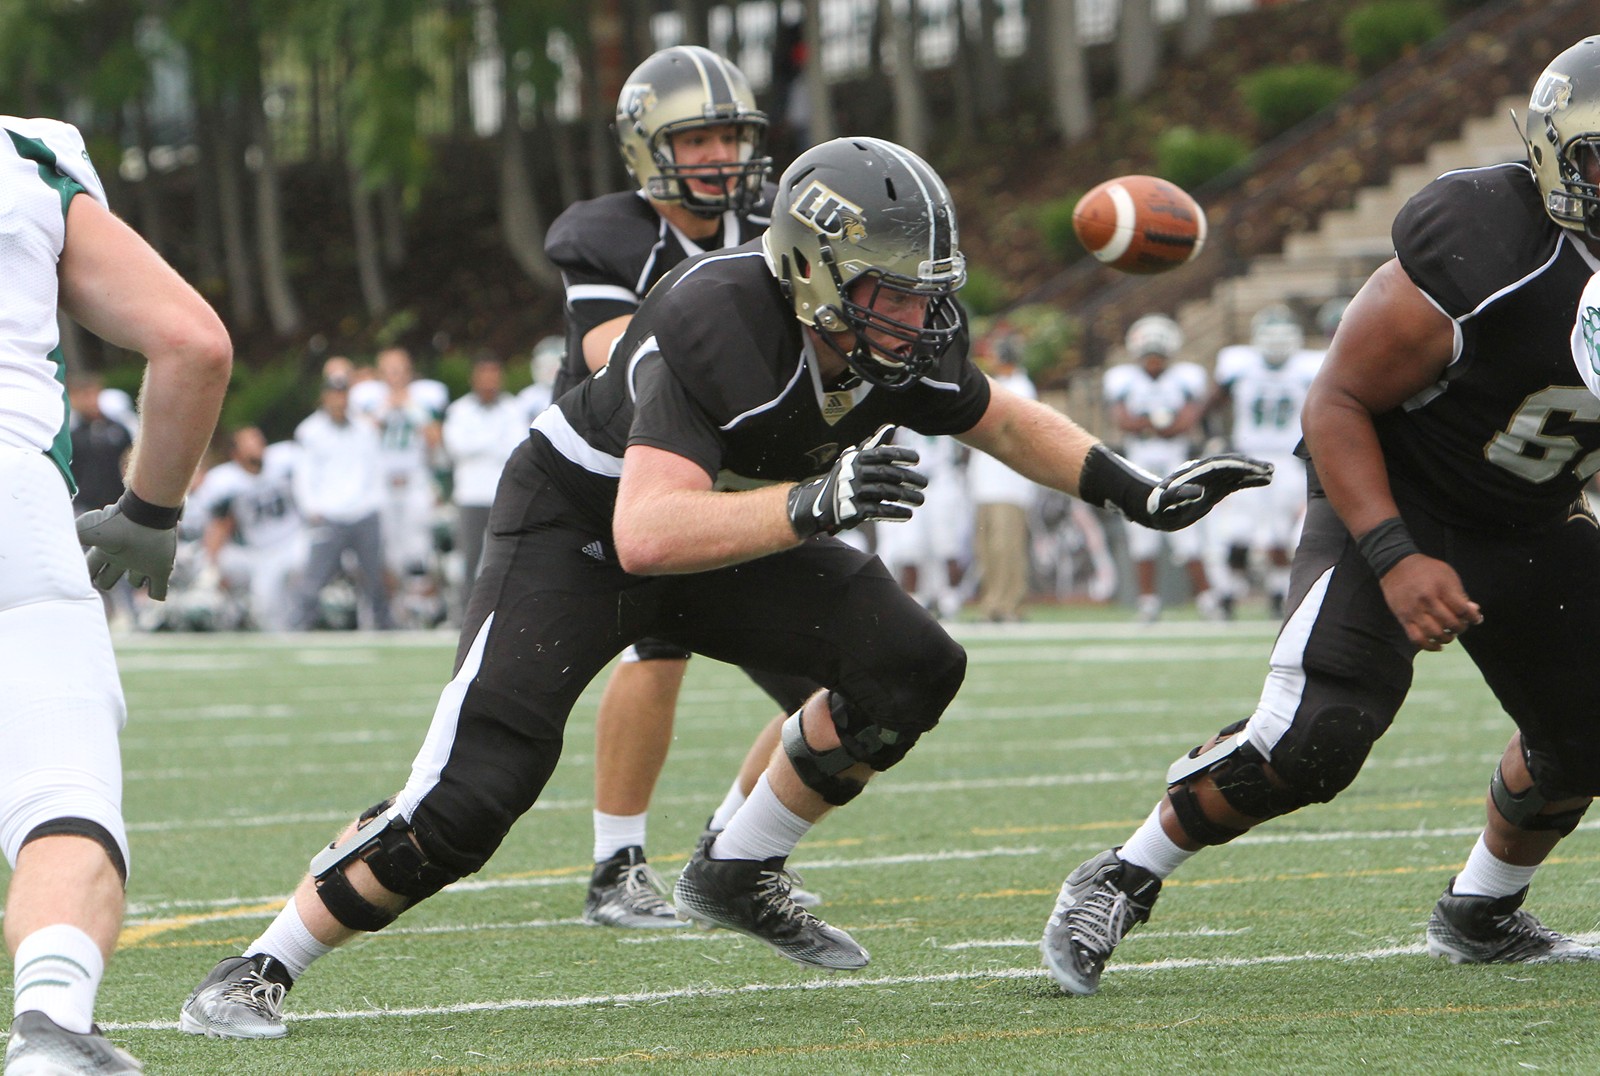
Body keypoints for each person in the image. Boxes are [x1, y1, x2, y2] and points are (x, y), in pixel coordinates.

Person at [176, 135, 1268, 1039]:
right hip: (585, 529)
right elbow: (645, 531)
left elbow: (995, 414)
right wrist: (813, 507)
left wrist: (1137, 490)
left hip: (735, 519)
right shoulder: (715, 318)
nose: (915, 318)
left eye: (925, 290)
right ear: (812, 272)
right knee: (477, 790)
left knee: (912, 665)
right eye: (888, 292)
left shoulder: (897, 336)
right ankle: (259, 963)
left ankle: (737, 867)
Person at [1040, 36, 1600, 999]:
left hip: (1535, 512)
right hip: (1396, 490)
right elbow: (1336, 402)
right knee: (1317, 735)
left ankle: (1481, 912)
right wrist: (1392, 553)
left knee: (1591, 731)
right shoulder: (1486, 244)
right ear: (1558, 149)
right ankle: (1122, 875)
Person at [545, 44, 819, 928]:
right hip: (621, 476)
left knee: (843, 681)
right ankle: (614, 866)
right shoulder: (605, 232)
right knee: (657, 646)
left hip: (742, 480)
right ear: (646, 146)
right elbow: (618, 362)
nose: (717, 158)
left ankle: (726, 849)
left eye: (730, 136)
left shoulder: (777, 231)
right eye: (695, 139)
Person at [1, 115, 230, 1073]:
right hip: (11, 505)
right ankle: (51, 1027)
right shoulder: (25, 158)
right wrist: (151, 509)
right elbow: (192, 345)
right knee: (62, 795)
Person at [1103, 314, 1223, 623]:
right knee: (1142, 536)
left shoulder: (1186, 377)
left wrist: (1149, 426)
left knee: (1188, 535)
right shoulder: (1123, 379)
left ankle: (1207, 600)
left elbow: (1186, 421)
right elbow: (1122, 421)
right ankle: (1148, 603)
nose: (1154, 362)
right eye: (1149, 356)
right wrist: (1156, 425)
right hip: (1138, 465)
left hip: (1176, 464)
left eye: (1158, 356)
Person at [1204, 305, 1323, 619]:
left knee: (1280, 533)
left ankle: (1277, 592)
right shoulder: (1239, 365)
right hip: (1249, 455)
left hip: (1288, 459)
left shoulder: (1307, 367)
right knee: (1239, 531)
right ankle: (1228, 593)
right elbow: (1211, 404)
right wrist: (1216, 438)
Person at [351, 346, 449, 628]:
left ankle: (423, 610)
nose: (394, 375)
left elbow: (435, 440)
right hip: (381, 485)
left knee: (418, 548)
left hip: (415, 481)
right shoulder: (368, 399)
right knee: (387, 551)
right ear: (379, 373)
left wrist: (409, 407)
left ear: (409, 371)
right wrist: (383, 410)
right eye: (389, 369)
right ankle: (391, 612)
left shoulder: (424, 397)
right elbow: (358, 442)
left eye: (399, 368)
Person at [291, 375, 394, 631]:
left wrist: (375, 503)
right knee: (315, 578)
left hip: (364, 512)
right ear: (324, 397)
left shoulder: (365, 429)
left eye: (343, 394)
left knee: (374, 577)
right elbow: (303, 474)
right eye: (334, 395)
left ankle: (384, 625)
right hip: (329, 514)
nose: (339, 400)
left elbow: (376, 468)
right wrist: (311, 508)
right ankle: (302, 625)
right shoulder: (309, 431)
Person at [193, 427, 304, 632]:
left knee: (307, 568)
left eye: (258, 442)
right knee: (266, 604)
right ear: (235, 454)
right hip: (260, 551)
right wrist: (213, 565)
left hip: (295, 539)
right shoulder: (224, 481)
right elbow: (219, 525)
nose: (257, 448)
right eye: (249, 444)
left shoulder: (286, 459)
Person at [968, 336, 1038, 622]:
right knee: (986, 548)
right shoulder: (992, 384)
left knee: (1006, 546)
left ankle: (1011, 603)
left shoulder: (1021, 388)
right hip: (985, 482)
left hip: (1009, 482)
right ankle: (993, 603)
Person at [442, 354, 527, 588]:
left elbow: (518, 448)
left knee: (506, 555)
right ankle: (464, 615)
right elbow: (456, 446)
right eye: (484, 376)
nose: (489, 382)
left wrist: (478, 441)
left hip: (504, 495)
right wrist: (494, 440)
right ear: (474, 379)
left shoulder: (513, 407)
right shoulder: (460, 410)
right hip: (470, 495)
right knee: (469, 557)